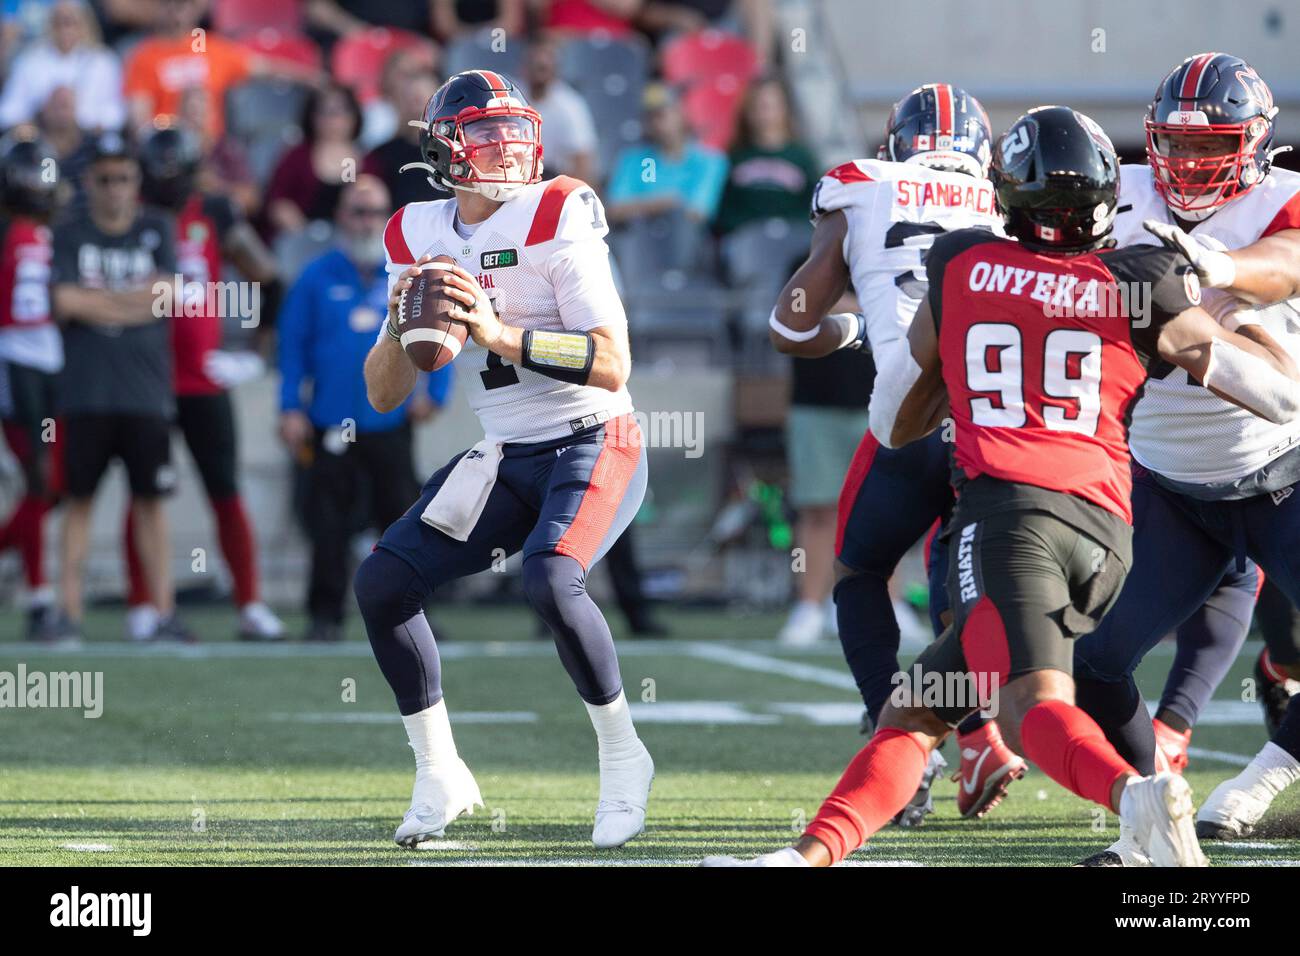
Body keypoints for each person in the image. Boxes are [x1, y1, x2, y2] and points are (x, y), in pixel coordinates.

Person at [705, 105, 1300, 868]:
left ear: (1005, 194)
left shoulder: (962, 265)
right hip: (1108, 528)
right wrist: (1229, 316)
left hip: (1011, 517)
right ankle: (804, 858)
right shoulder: (1138, 282)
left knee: (1029, 711)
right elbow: (1282, 400)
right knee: (919, 709)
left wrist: (959, 388)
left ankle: (1139, 799)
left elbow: (891, 422)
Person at [354, 71, 654, 850]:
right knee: (384, 582)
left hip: (594, 436)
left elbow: (614, 363)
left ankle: (624, 757)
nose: (507, 150)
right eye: (486, 135)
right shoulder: (414, 231)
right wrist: (399, 322)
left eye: (515, 133)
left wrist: (500, 335)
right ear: (446, 149)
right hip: (506, 452)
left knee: (553, 578)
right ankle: (438, 770)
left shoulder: (559, 209)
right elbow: (386, 393)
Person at [1064, 53, 1300, 856]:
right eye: (1178, 146)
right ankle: (1152, 811)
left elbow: (1290, 261)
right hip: (1164, 480)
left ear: (1255, 143)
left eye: (1212, 147)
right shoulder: (1120, 189)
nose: (1190, 165)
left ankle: (1263, 775)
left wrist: (1222, 266)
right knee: (1093, 658)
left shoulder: (1281, 196)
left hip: (1282, 471)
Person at [769, 84, 1023, 821]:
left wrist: (853, 328)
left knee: (859, 573)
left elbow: (790, 326)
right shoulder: (1009, 204)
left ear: (896, 143)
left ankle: (900, 737)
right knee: (956, 591)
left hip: (909, 420)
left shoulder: (860, 185)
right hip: (998, 426)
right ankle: (980, 737)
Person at [123, 124, 284, 642]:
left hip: (203, 378)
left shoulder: (213, 211)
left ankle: (250, 602)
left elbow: (266, 274)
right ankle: (144, 604)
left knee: (224, 490)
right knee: (145, 494)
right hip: (145, 377)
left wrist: (253, 357)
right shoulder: (131, 217)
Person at [278, 176, 452, 643]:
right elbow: (292, 348)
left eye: (375, 212)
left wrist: (434, 393)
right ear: (340, 216)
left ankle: (415, 613)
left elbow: (442, 329)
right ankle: (325, 615)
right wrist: (290, 406)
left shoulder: (407, 276)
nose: (366, 221)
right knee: (327, 526)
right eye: (358, 211)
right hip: (330, 422)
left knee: (403, 522)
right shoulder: (315, 278)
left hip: (388, 422)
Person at [48, 133, 187, 643]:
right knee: (77, 502)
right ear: (89, 182)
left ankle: (165, 610)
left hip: (146, 393)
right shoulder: (68, 232)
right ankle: (68, 612)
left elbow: (168, 297)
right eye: (104, 178)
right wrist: (134, 301)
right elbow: (66, 304)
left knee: (151, 503)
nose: (114, 188)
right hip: (84, 392)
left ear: (136, 181)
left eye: (123, 177)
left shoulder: (158, 226)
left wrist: (99, 301)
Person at [0, 131, 65, 640]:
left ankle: (34, 581)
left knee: (51, 483)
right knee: (41, 483)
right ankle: (40, 595)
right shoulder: (8, 231)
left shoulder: (57, 230)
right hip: (16, 365)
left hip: (56, 365)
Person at [123, 0, 319, 141]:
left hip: (212, 148)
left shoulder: (213, 48)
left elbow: (266, 67)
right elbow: (140, 120)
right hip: (168, 145)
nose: (177, 11)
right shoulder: (143, 56)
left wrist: (315, 79)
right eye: (170, 3)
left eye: (183, 4)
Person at [605, 83, 728, 228]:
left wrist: (640, 206)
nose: (655, 123)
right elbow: (614, 210)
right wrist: (669, 202)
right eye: (649, 117)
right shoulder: (632, 159)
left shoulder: (710, 161)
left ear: (681, 113)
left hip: (687, 243)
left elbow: (698, 213)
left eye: (661, 115)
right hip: (637, 240)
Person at [714, 76, 818, 235]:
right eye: (757, 106)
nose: (764, 114)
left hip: (793, 240)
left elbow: (812, 208)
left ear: (784, 109)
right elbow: (724, 209)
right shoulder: (735, 156)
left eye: (769, 106)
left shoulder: (802, 157)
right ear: (747, 112)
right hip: (745, 240)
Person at [0, 0, 125, 132]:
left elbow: (117, 113)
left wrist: (84, 119)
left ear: (85, 24)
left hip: (89, 143)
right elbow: (7, 110)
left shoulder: (103, 62)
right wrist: (30, 121)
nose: (64, 29)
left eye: (70, 22)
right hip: (42, 142)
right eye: (58, 23)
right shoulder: (29, 61)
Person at [262, 82, 363, 243]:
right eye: (325, 111)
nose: (333, 119)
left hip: (351, 243)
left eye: (341, 110)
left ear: (354, 115)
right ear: (312, 116)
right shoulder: (297, 157)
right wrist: (302, 232)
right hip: (302, 241)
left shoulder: (361, 159)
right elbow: (277, 201)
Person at [523, 36, 598, 185]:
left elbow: (582, 160)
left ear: (555, 69)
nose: (539, 72)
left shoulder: (571, 105)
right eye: (535, 66)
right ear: (524, 67)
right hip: (518, 174)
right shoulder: (512, 97)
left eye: (544, 68)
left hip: (555, 178)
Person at [362, 68, 440, 211]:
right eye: (409, 99)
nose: (417, 106)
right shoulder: (380, 157)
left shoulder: (457, 151)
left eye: (421, 99)